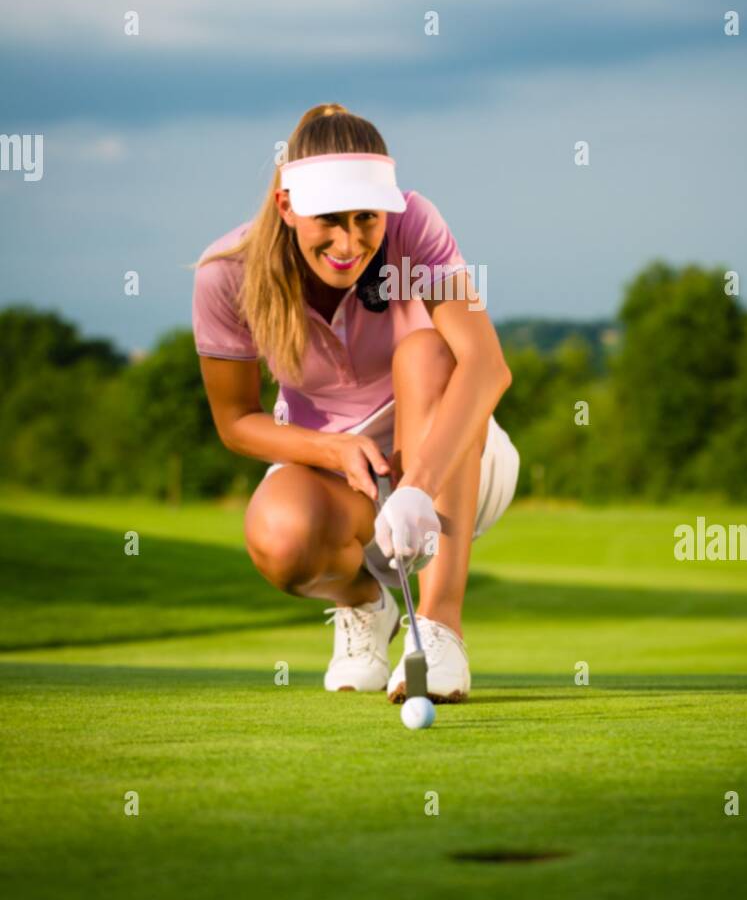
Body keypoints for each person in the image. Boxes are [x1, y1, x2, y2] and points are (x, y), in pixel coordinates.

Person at [191, 103, 519, 703]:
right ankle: (365, 606)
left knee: (426, 351)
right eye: (329, 220)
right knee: (281, 538)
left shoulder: (413, 223)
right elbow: (236, 422)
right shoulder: (227, 274)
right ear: (287, 206)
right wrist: (331, 448)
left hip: (457, 460)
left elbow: (485, 365)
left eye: (366, 218)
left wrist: (418, 484)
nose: (350, 242)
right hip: (343, 481)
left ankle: (440, 630)